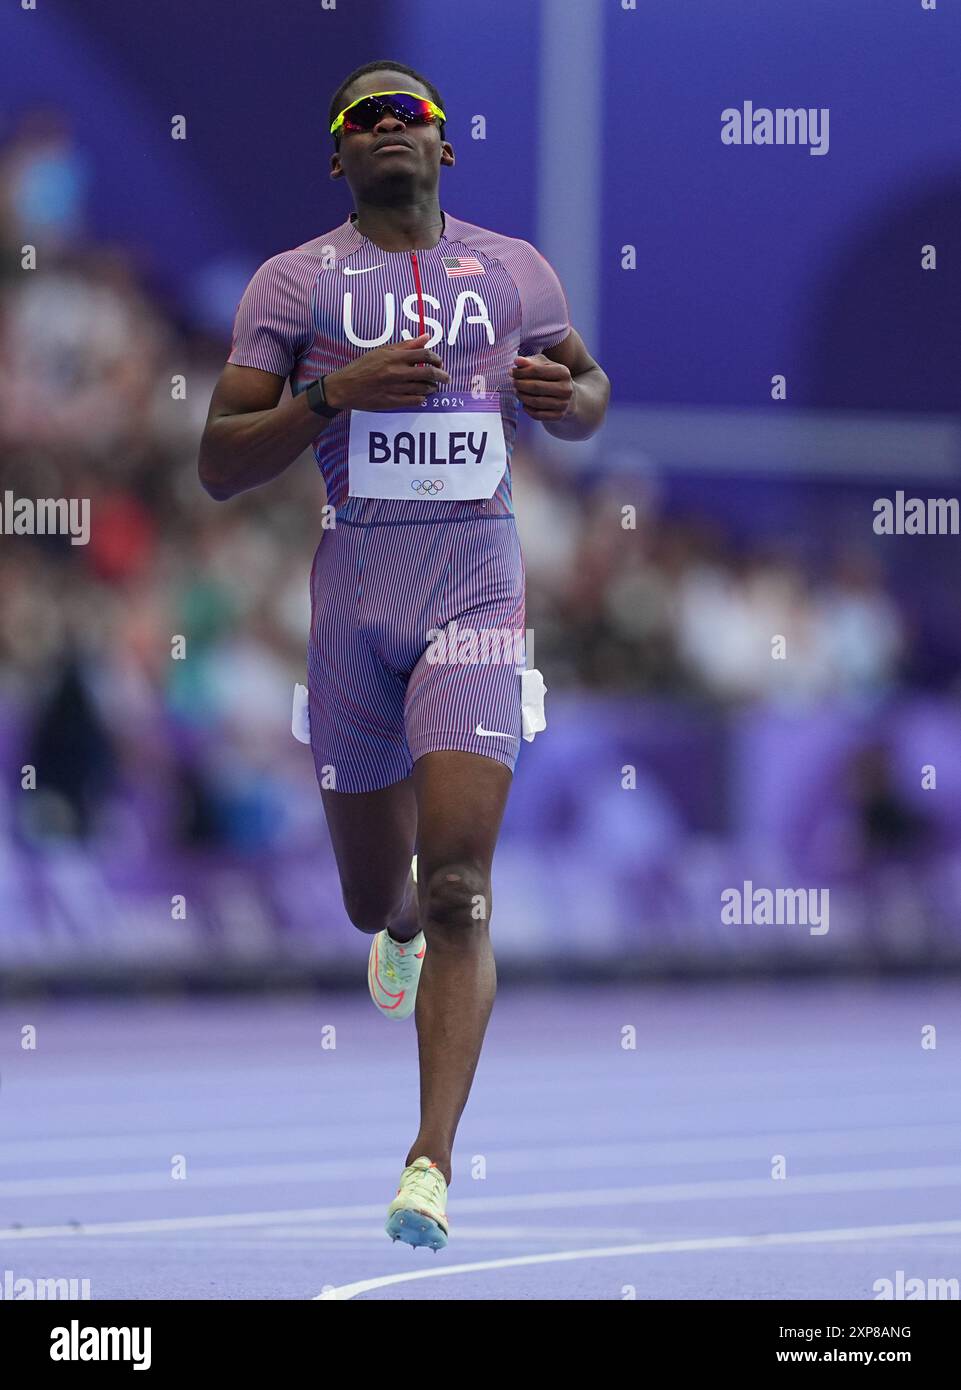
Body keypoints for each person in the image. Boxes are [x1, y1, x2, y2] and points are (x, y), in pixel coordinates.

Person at [198, 60, 609, 1250]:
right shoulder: (295, 283)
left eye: (408, 115)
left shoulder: (515, 270)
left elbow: (587, 389)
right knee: (377, 895)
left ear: (445, 145)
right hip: (352, 610)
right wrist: (333, 401)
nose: (387, 127)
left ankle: (429, 1160)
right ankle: (396, 930)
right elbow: (218, 461)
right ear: (339, 157)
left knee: (462, 880)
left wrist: (563, 396)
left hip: (478, 588)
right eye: (362, 119)